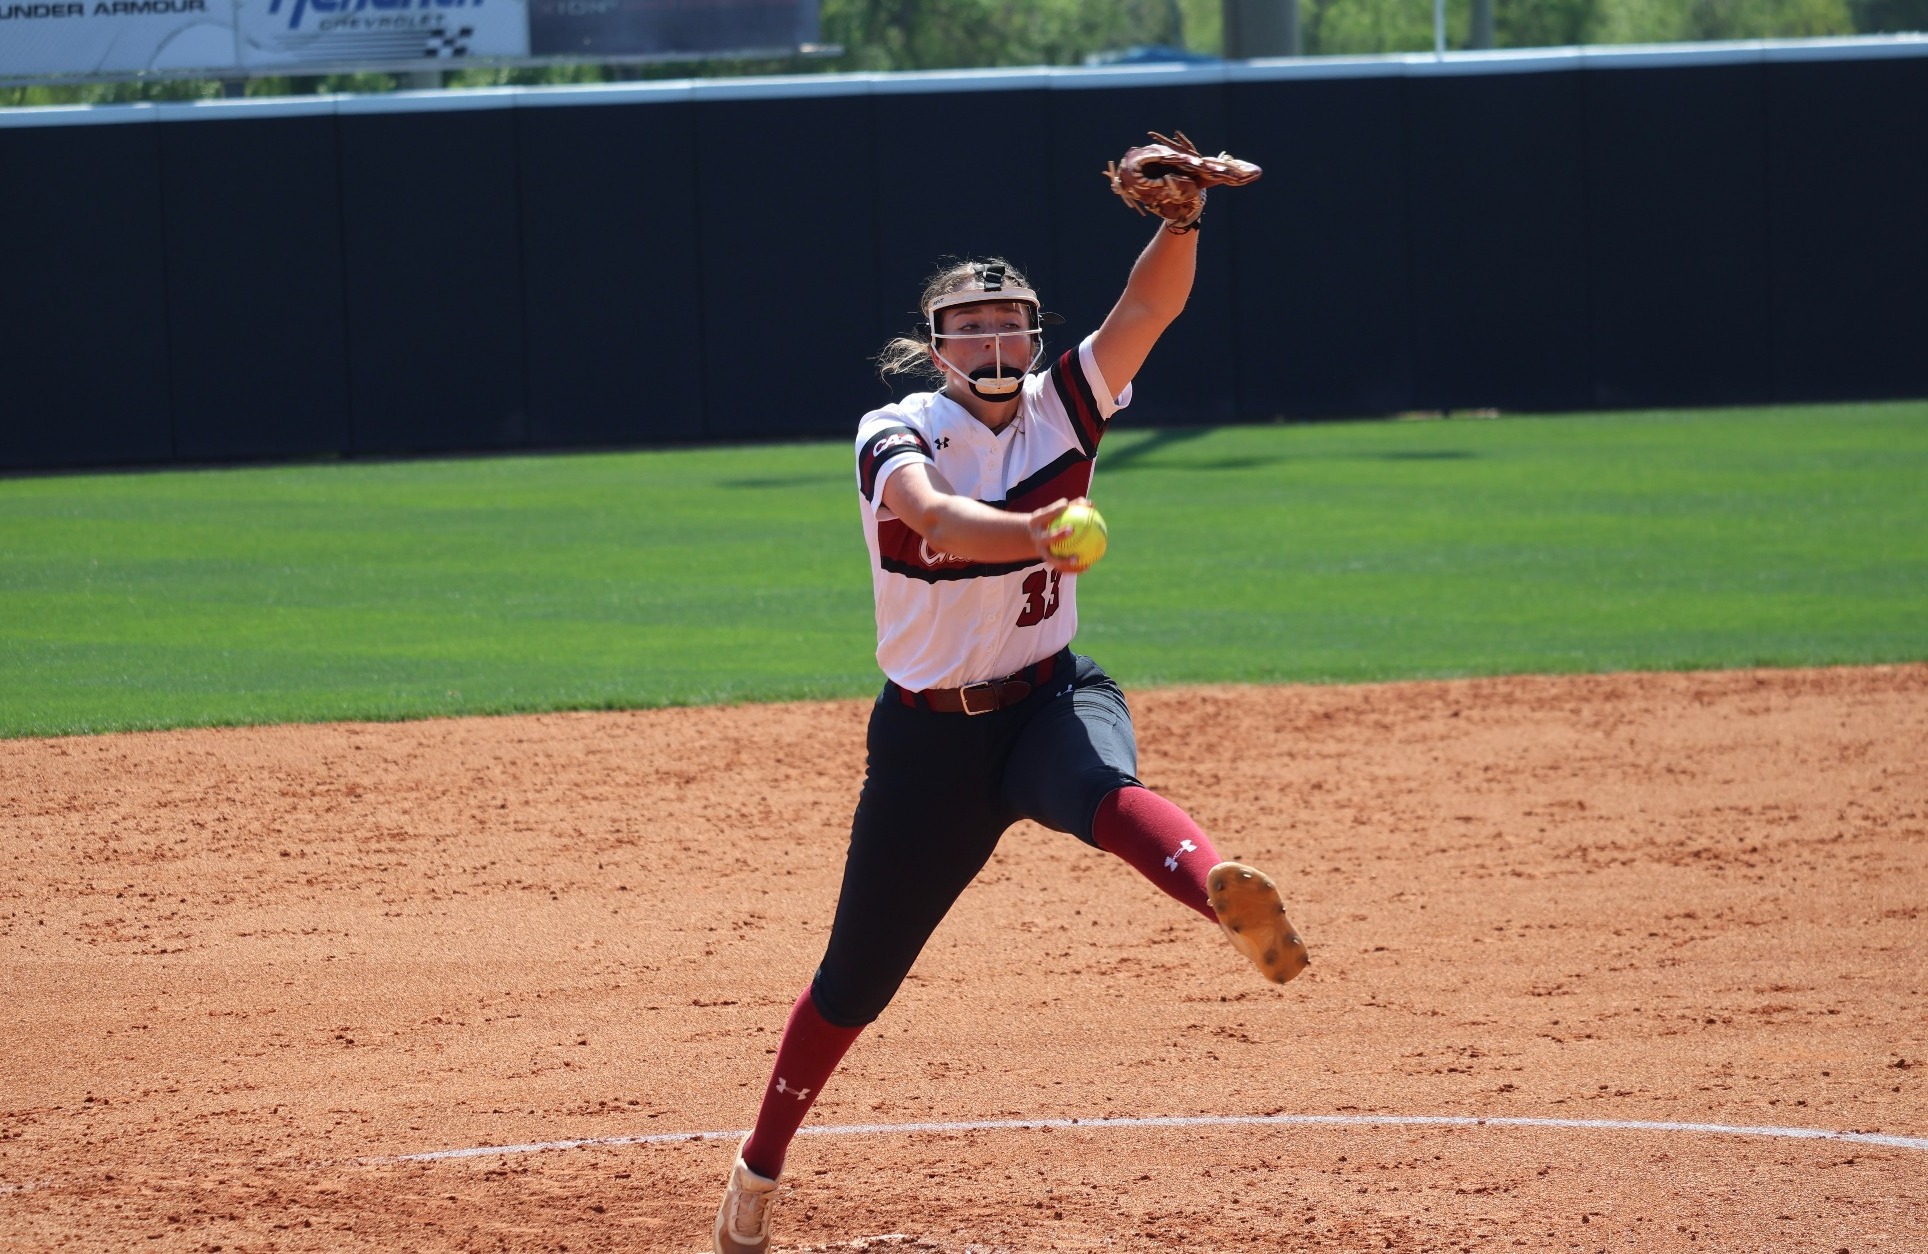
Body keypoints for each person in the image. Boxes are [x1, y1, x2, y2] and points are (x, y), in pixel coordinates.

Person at [712, 177, 1306, 1254]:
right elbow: (934, 517)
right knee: (854, 979)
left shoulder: (1063, 402)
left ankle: (1221, 891)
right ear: (933, 344)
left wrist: (1182, 223)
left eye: (1008, 323)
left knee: (1100, 790)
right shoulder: (895, 428)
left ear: (1033, 336)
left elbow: (1147, 311)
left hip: (1046, 699)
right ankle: (757, 1170)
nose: (990, 339)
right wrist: (1040, 532)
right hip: (927, 745)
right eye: (968, 326)